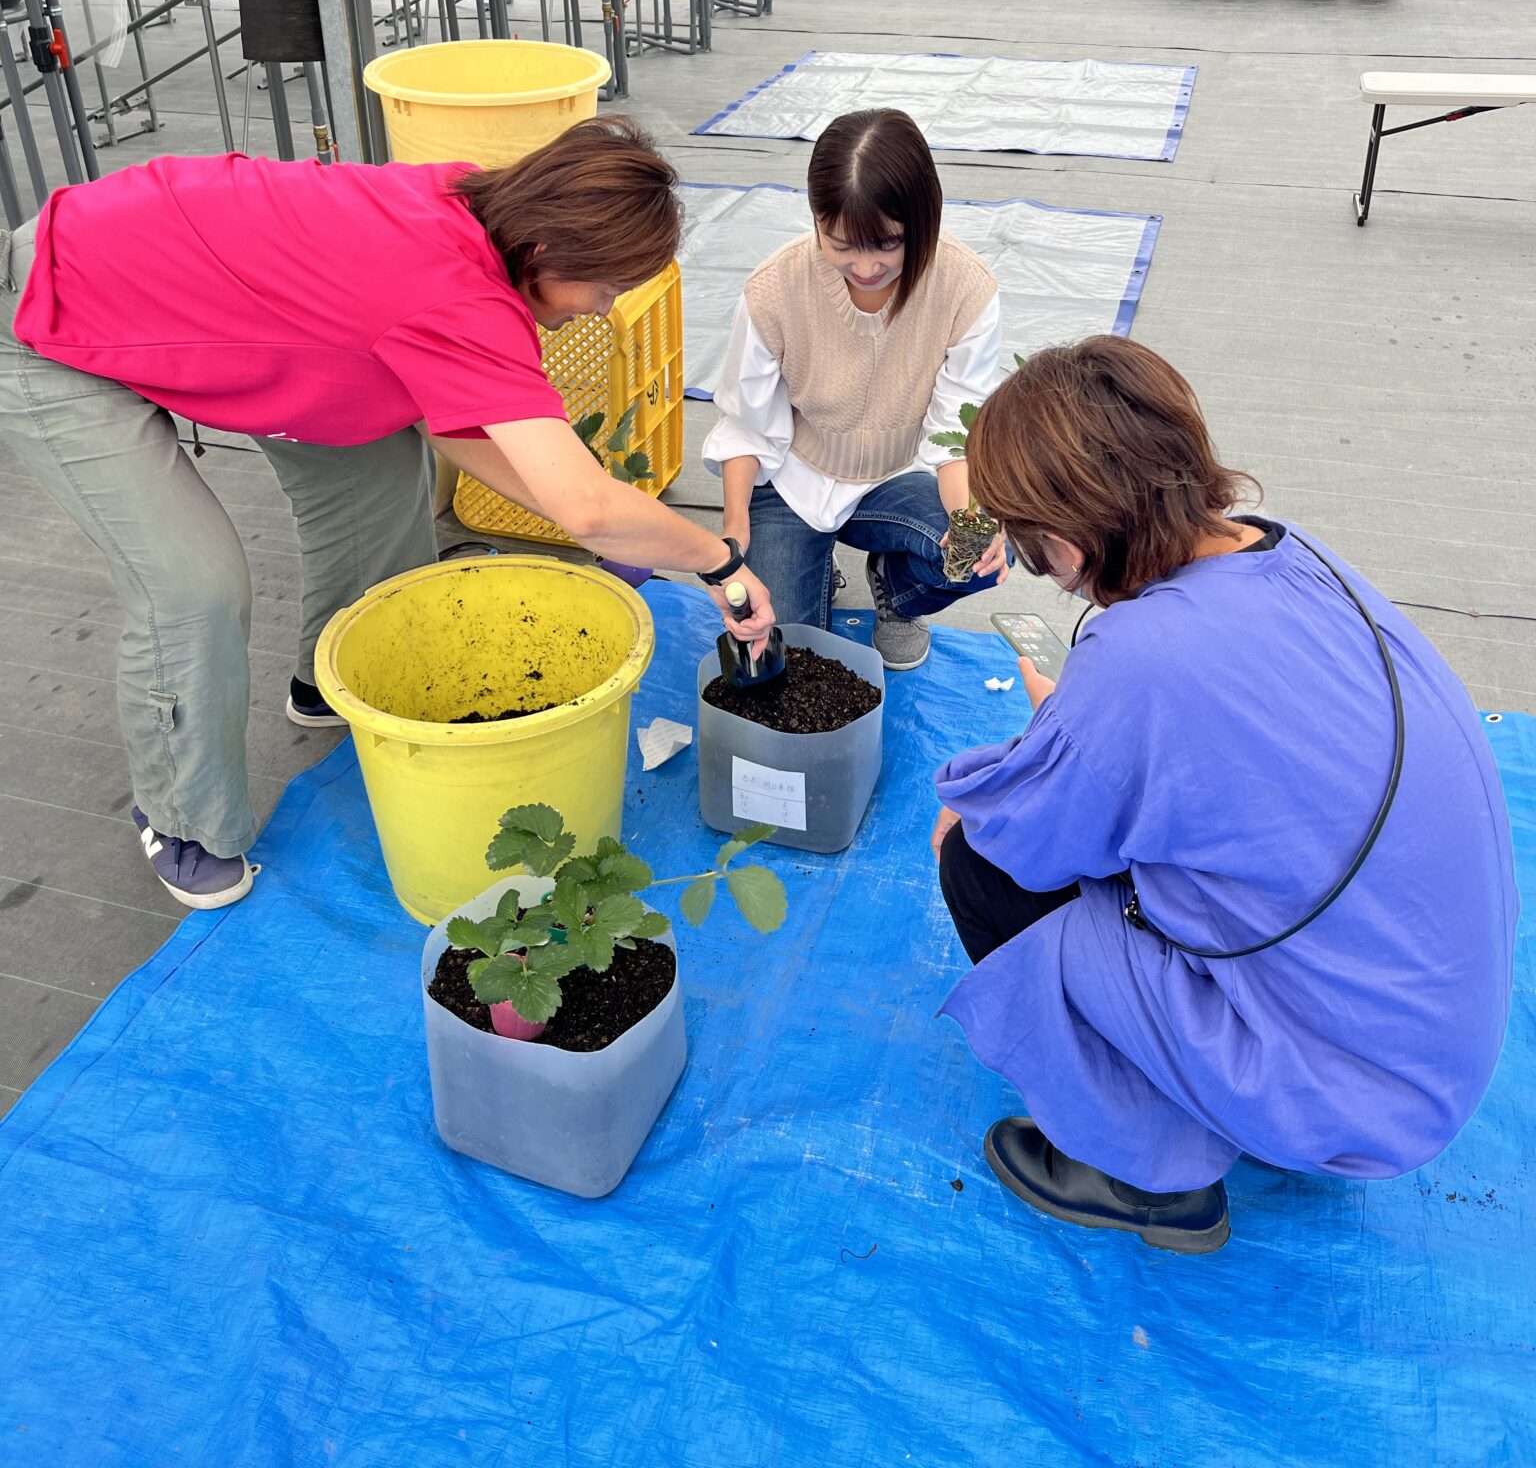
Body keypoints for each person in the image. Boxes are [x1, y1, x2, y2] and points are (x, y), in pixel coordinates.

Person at [0, 118, 775, 912]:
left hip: (205, 306)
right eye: (604, 290)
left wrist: (629, 530)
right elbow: (582, 505)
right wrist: (712, 557)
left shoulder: (482, 210)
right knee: (192, 586)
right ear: (547, 254)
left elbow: (464, 428)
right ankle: (180, 817)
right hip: (54, 309)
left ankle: (329, 675)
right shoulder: (459, 292)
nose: (600, 310)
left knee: (380, 460)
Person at [931, 336, 1516, 1254]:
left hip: (1343, 1095)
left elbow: (1022, 837)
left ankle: (1150, 1174)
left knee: (971, 855)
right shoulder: (1294, 551)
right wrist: (1094, 730)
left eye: (1032, 551)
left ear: (1072, 540)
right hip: (1430, 1045)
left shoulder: (1137, 663)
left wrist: (1044, 751)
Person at [703, 108, 1007, 670]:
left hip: (899, 474)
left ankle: (897, 589)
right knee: (787, 657)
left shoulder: (966, 289)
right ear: (816, 218)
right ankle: (809, 562)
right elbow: (747, 421)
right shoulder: (775, 290)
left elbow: (954, 433)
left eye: (888, 244)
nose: (864, 267)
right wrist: (735, 528)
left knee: (975, 550)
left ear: (924, 221)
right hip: (795, 477)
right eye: (841, 244)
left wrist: (970, 523)